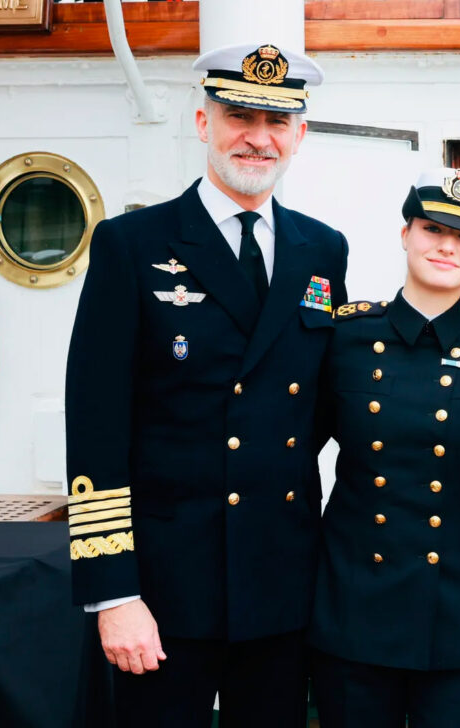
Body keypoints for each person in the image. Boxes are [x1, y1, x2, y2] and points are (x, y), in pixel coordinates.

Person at [64, 42, 349, 728]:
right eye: (239, 117)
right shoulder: (132, 244)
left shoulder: (324, 248)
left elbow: (330, 403)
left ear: (299, 135)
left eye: (277, 122)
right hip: (165, 588)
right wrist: (113, 593)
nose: (258, 138)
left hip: (281, 581)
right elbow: (96, 425)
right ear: (203, 123)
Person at [308, 168, 460, 728]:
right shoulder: (343, 338)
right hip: (353, 608)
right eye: (432, 228)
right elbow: (288, 459)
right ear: (405, 234)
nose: (447, 245)